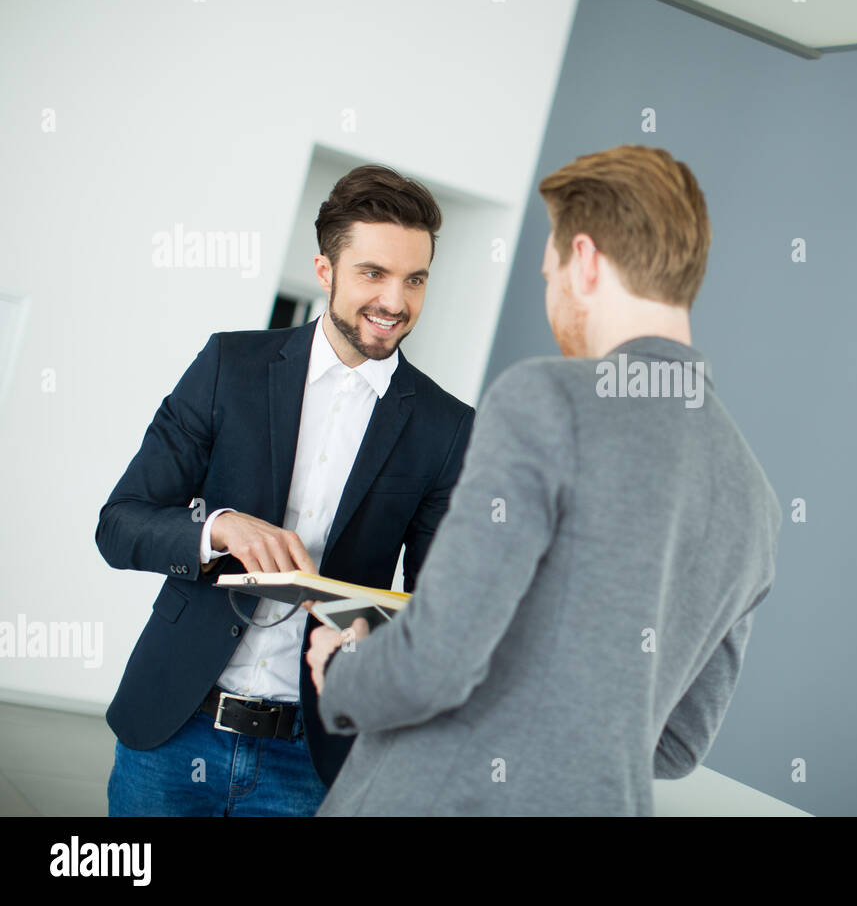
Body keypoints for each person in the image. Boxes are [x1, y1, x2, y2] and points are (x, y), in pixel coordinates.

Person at [307, 144, 780, 815]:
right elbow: (677, 744)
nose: (553, 295)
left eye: (550, 273)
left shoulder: (548, 399)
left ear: (584, 261)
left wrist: (345, 669)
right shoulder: (755, 498)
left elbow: (432, 667)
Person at [95, 165, 474, 815]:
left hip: (311, 760)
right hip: (170, 730)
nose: (395, 301)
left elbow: (434, 606)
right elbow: (121, 525)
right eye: (373, 274)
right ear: (325, 271)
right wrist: (218, 529)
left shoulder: (447, 427)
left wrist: (372, 634)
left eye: (415, 280)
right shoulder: (228, 367)